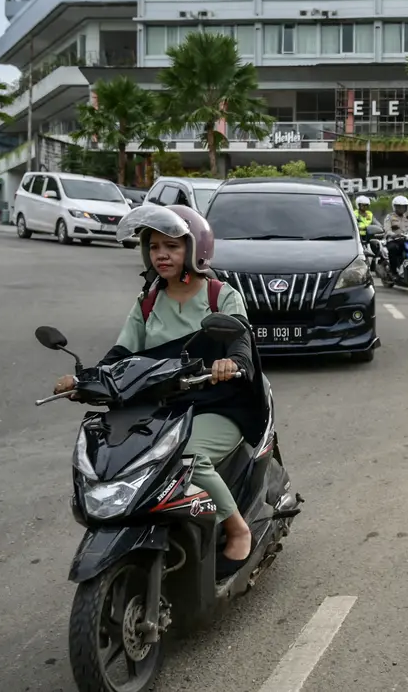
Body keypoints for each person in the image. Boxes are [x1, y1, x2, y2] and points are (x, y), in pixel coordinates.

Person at [51, 204, 263, 574]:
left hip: (216, 404)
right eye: (154, 247)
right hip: (162, 407)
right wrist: (84, 380)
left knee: (186, 459)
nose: (162, 254)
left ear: (194, 251)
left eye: (172, 246)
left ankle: (236, 528)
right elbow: (120, 354)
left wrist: (231, 363)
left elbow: (240, 342)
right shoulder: (148, 301)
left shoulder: (220, 295)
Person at [382, 195, 408, 278]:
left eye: (403, 207)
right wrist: (394, 234)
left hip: (406, 240)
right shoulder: (390, 217)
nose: (401, 209)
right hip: (393, 240)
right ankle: (393, 271)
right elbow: (387, 230)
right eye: (399, 207)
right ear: (394, 207)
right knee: (393, 249)